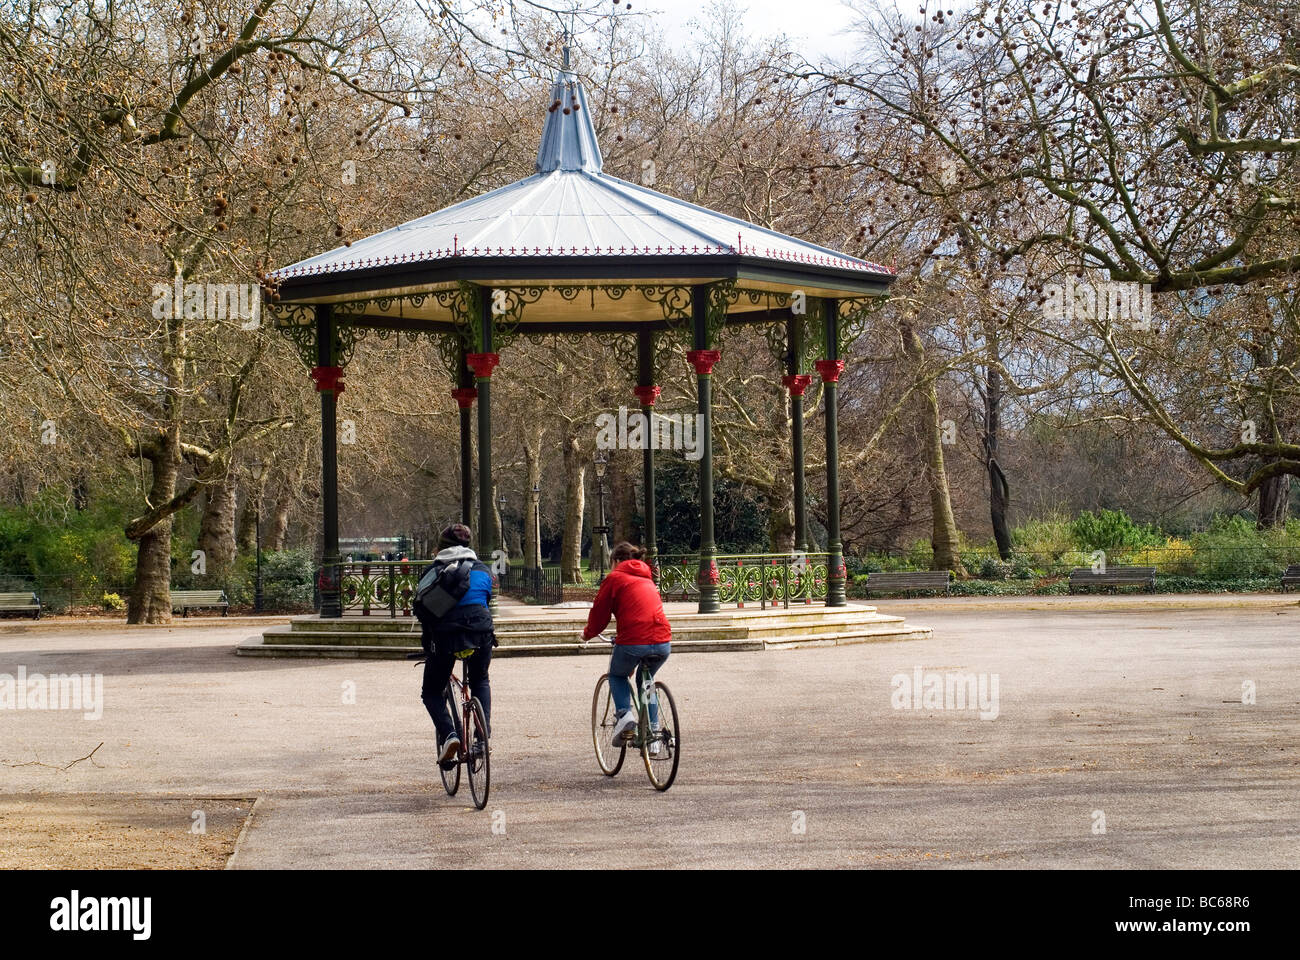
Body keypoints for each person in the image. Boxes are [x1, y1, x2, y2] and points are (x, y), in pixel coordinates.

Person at [416, 523, 495, 764]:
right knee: (480, 679)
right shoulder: (483, 570)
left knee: (430, 692)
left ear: (441, 547)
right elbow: (485, 599)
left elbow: (421, 607)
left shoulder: (434, 570)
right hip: (481, 631)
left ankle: (450, 734)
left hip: (445, 636)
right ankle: (482, 738)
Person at [581, 542, 671, 748]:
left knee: (617, 675)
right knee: (645, 680)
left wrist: (587, 634)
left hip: (633, 640)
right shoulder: (647, 579)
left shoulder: (614, 578)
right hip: (663, 640)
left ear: (616, 561)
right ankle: (654, 733)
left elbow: (599, 614)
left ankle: (624, 716)